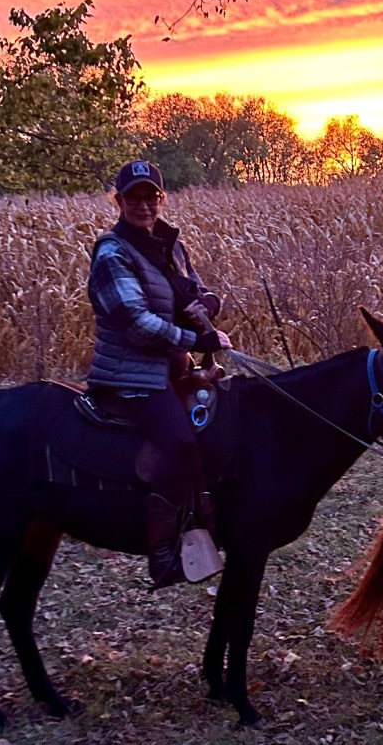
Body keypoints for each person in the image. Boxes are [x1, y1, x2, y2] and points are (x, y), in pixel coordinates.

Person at [86, 160, 232, 588]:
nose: (144, 206)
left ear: (161, 199)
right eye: (134, 198)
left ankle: (206, 517)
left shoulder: (170, 245)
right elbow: (136, 323)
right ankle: (163, 555)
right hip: (132, 375)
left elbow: (194, 290)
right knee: (179, 442)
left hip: (172, 369)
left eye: (151, 197)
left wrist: (208, 303)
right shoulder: (112, 253)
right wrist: (196, 340)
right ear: (119, 201)